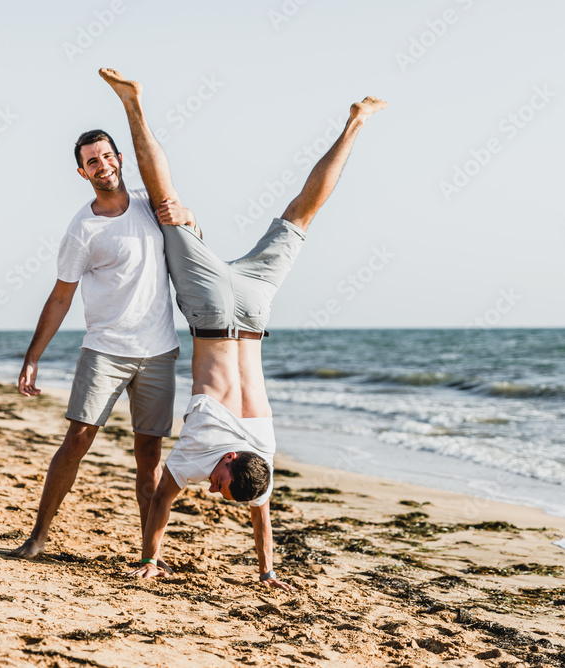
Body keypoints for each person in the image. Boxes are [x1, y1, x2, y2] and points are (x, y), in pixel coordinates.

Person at [97, 68, 386, 589]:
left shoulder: (262, 456)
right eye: (221, 483)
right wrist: (150, 559)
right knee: (167, 204)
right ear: (230, 459)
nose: (211, 489)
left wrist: (268, 569)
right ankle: (133, 105)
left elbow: (262, 515)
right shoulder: (203, 450)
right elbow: (162, 497)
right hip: (210, 314)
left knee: (303, 213)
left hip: (255, 310)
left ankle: (355, 124)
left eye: (218, 489)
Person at [8, 126, 181, 559]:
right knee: (79, 437)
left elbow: (188, 230)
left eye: (106, 157)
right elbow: (60, 296)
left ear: (119, 157)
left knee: (150, 455)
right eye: (92, 162)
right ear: (82, 172)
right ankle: (39, 536)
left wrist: (190, 215)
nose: (102, 166)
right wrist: (33, 358)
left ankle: (149, 554)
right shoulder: (82, 229)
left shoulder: (148, 202)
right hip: (105, 349)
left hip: (158, 350)